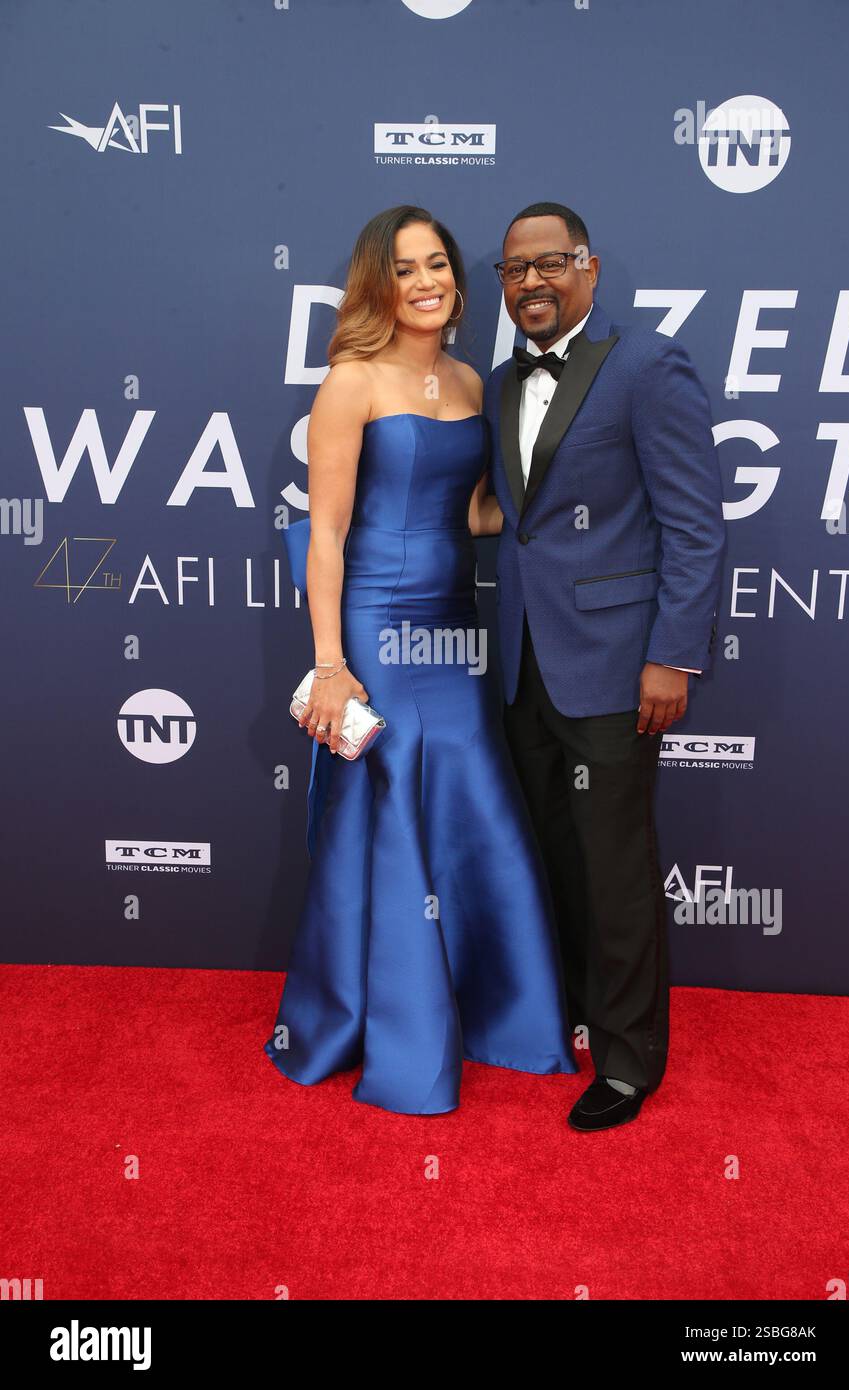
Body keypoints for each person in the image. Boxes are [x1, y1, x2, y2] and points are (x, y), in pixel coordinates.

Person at [263, 205, 576, 1115]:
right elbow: (323, 535)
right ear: (379, 284)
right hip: (372, 628)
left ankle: (504, 1017)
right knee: (394, 807)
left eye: (438, 264)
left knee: (477, 802)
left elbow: (471, 515)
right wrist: (330, 663)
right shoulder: (350, 384)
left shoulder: (474, 381)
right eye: (406, 269)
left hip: (451, 626)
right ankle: (400, 1034)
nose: (429, 281)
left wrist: (559, 512)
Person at [484, 202, 725, 1131]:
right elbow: (523, 519)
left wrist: (672, 654)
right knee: (561, 860)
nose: (531, 283)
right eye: (514, 272)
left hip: (620, 668)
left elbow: (695, 526)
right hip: (525, 670)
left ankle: (630, 1062)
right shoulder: (504, 383)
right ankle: (584, 1013)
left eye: (550, 264)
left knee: (618, 869)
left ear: (588, 268)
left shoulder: (645, 365)